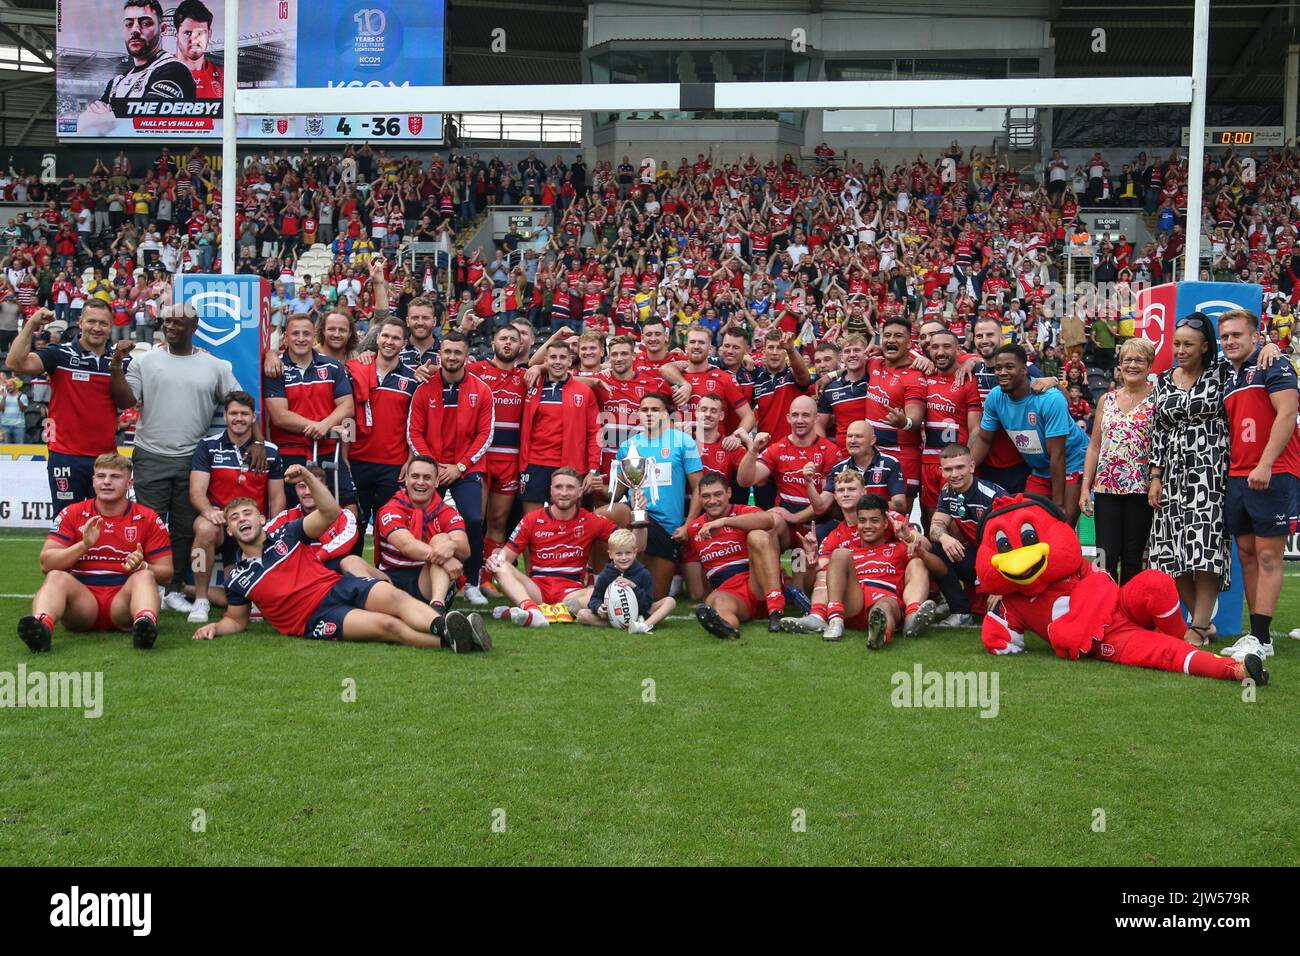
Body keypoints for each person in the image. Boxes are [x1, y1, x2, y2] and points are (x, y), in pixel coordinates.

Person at [193, 465, 490, 651]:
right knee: (389, 627)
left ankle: (442, 625)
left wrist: (308, 477)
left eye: (247, 514)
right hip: (314, 618)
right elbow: (236, 619)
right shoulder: (237, 578)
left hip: (337, 586)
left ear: (260, 518)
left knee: (393, 597)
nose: (242, 520)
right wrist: (215, 627)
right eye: (234, 518)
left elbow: (330, 512)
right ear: (229, 530)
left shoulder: (287, 534)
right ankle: (456, 642)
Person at [116, 302, 267, 614]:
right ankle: (148, 585)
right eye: (167, 321)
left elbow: (241, 404)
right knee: (149, 525)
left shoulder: (214, 366)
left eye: (178, 322)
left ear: (194, 326)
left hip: (192, 458)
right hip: (150, 454)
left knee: (185, 530)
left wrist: (258, 440)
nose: (170, 327)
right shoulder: (146, 360)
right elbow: (125, 400)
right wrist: (116, 365)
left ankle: (172, 589)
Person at [18, 453, 171, 653]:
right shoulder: (72, 512)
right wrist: (83, 545)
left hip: (123, 602)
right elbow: (46, 564)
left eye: (115, 477)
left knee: (144, 576)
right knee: (56, 576)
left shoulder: (147, 517)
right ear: (93, 481)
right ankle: (41, 629)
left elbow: (167, 573)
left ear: (129, 483)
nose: (106, 482)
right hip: (83, 603)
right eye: (101, 476)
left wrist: (142, 565)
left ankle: (144, 626)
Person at [1218, 308, 1300, 664]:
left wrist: (1265, 463)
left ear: (1255, 336)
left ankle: (1262, 635)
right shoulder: (1228, 375)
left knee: (1268, 555)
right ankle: (1258, 635)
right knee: (1247, 554)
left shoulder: (1274, 364)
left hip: (1273, 471)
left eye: (1237, 334)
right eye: (1225, 336)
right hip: (1239, 475)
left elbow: (1287, 413)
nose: (1230, 341)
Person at [6, 304, 131, 514]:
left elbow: (129, 401)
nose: (96, 328)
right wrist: (32, 324)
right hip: (65, 456)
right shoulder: (59, 354)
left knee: (107, 525)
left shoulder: (121, 360)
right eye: (91, 321)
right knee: (66, 523)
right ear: (80, 323)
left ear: (111, 326)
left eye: (103, 323)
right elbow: (15, 363)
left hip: (106, 459)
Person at [406, 330, 493, 604]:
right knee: (420, 520)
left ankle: (472, 582)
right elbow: (414, 431)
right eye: (447, 351)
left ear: (466, 355)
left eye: (457, 352)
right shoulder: (424, 388)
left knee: (473, 520)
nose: (452, 356)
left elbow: (485, 434)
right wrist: (432, 467)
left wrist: (460, 466)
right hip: (432, 468)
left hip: (465, 468)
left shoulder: (481, 389)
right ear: (439, 354)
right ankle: (418, 579)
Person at [486, 467, 629, 628]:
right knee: (499, 565)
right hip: (537, 589)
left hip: (572, 593)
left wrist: (639, 516)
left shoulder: (591, 520)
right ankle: (533, 610)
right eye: (558, 487)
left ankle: (534, 612)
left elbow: (627, 543)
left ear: (580, 492)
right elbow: (505, 557)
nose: (564, 492)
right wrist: (496, 557)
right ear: (551, 490)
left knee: (597, 592)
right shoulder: (532, 519)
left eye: (570, 487)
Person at [187, 390, 285, 623]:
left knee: (235, 598)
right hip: (219, 521)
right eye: (233, 413)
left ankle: (186, 589)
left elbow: (277, 498)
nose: (238, 418)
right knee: (204, 529)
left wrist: (274, 528)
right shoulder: (208, 446)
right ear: (225, 416)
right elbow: (196, 491)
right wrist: (209, 512)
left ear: (253, 417)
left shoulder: (270, 451)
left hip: (251, 527)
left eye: (244, 414)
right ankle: (200, 598)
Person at [969, 344, 1088, 526]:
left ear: (1024, 369)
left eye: (1009, 367)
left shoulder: (1050, 398)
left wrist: (1058, 505)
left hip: (1072, 462)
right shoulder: (995, 397)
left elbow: (1057, 455)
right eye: (998, 368)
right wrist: (966, 470)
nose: (1002, 372)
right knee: (1030, 522)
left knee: (1063, 523)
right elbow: (984, 439)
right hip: (1040, 469)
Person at [611, 392, 704, 598]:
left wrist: (688, 524)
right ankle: (601, 578)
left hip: (667, 528)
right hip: (636, 516)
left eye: (655, 410)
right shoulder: (628, 446)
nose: (649, 414)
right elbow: (616, 494)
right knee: (605, 514)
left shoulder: (683, 441)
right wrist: (597, 485)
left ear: (665, 414)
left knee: (654, 598)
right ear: (638, 414)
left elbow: (699, 487)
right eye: (644, 410)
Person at [1079, 338, 1155, 585]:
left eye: (1139, 360)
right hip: (1106, 489)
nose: (1132, 365)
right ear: (1119, 366)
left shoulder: (1158, 399)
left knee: (1134, 557)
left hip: (1141, 490)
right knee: (1105, 555)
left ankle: (1129, 606)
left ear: (1149, 365)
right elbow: (1094, 447)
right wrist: (1085, 487)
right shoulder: (1106, 400)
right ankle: (1105, 603)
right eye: (1127, 360)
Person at [264, 312, 357, 509]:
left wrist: (325, 425)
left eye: (306, 334)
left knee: (348, 505)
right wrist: (318, 426)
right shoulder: (276, 368)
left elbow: (348, 406)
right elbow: (279, 416)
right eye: (295, 333)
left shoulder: (332, 366)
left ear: (314, 335)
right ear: (285, 337)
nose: (301, 338)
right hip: (291, 452)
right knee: (293, 509)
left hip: (329, 450)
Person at [346, 316, 418, 560]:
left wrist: (410, 459)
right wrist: (344, 455)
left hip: (393, 465)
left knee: (390, 527)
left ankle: (387, 575)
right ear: (377, 338)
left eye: (396, 338)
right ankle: (353, 575)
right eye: (385, 336)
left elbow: (414, 424)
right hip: (357, 460)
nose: (389, 341)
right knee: (354, 525)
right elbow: (348, 415)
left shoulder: (412, 379)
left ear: (404, 343)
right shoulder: (355, 370)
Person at [820, 494, 937, 645]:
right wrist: (810, 564)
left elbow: (941, 569)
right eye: (862, 521)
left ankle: (882, 634)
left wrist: (918, 549)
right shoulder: (850, 551)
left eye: (874, 521)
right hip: (854, 601)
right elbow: (823, 574)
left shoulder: (900, 548)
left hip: (885, 597)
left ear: (885, 523)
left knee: (884, 607)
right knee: (839, 554)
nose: (868, 526)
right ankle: (835, 621)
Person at [683, 472, 789, 638]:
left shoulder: (742, 511)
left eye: (718, 494)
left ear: (729, 493)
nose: (712, 501)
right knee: (718, 603)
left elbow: (768, 520)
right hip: (732, 594)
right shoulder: (694, 528)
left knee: (757, 535)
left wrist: (725, 521)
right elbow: (701, 569)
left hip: (758, 584)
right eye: (706, 496)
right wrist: (706, 597)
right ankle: (726, 627)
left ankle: (776, 609)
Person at [467, 323, 528, 592]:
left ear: (520, 346)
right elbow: (444, 367)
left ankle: (486, 579)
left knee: (498, 522)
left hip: (510, 460)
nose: (508, 343)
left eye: (513, 339)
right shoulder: (476, 370)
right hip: (480, 457)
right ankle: (466, 578)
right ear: (493, 342)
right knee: (474, 520)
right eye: (503, 338)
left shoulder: (525, 376)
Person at [79, 1, 197, 136]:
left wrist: (109, 121)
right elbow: (84, 125)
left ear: (163, 29)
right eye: (129, 24)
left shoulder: (174, 70)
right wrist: (111, 122)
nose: (135, 30)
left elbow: (148, 127)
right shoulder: (117, 81)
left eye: (145, 23)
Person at [737, 395, 838, 551]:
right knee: (761, 534)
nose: (799, 420)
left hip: (818, 524)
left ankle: (801, 564)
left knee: (802, 563)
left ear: (816, 418)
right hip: (786, 526)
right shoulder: (778, 448)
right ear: (788, 418)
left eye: (806, 415)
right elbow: (744, 481)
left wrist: (795, 517)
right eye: (795, 415)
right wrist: (753, 449)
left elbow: (824, 504)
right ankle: (774, 568)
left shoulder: (830, 450)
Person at [921, 443, 1006, 626]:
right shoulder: (947, 492)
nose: (954, 474)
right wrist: (945, 538)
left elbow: (1012, 542)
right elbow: (935, 527)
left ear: (972, 467)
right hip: (976, 559)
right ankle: (960, 612)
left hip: (999, 562)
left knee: (1001, 616)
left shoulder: (993, 496)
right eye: (948, 469)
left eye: (960, 467)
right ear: (941, 471)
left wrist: (1003, 584)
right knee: (936, 550)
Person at [375, 456, 470, 608]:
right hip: (392, 582)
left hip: (428, 582)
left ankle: (437, 606)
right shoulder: (391, 509)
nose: (420, 482)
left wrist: (451, 546)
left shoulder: (447, 512)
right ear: (406, 479)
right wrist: (445, 558)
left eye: (427, 477)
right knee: (352, 561)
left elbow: (464, 550)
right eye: (415, 476)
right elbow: (407, 546)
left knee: (442, 539)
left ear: (437, 482)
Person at [518, 338, 601, 508]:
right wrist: (536, 367)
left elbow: (594, 433)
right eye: (553, 357)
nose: (557, 362)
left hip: (571, 465)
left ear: (570, 361)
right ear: (545, 360)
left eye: (562, 357)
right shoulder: (530, 384)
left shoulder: (584, 392)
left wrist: (593, 470)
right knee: (533, 519)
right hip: (535, 463)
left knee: (569, 519)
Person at [575, 528, 674, 633]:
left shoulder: (643, 573)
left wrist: (633, 587)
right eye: (619, 553)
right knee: (582, 615)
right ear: (610, 554)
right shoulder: (606, 574)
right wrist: (598, 607)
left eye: (628, 553)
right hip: (614, 615)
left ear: (635, 553)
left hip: (641, 613)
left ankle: (643, 626)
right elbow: (594, 599)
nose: (624, 557)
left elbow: (647, 604)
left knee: (670, 601)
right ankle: (623, 625)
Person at [172, 0, 222, 98]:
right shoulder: (157, 75)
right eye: (188, 33)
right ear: (176, 33)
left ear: (209, 34)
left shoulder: (223, 77)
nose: (194, 40)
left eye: (200, 33)